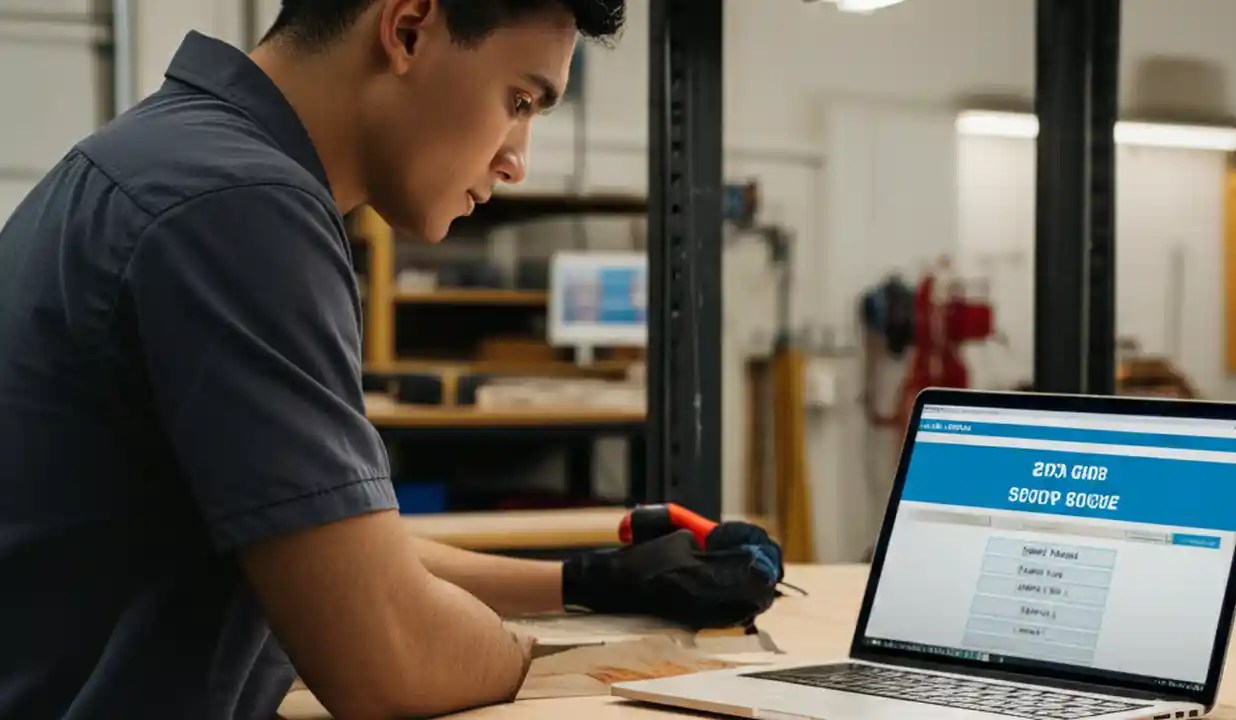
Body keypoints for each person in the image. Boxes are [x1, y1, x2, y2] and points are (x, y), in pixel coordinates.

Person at [0, 0, 782, 717]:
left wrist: (584, 581)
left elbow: (334, 550)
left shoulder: (169, 158)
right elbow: (390, 659)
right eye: (519, 101)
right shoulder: (237, 208)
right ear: (408, 29)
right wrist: (553, 657)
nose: (517, 162)